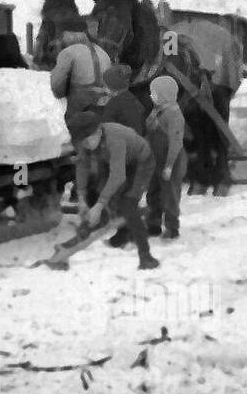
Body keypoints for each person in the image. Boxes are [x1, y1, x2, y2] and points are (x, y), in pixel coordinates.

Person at [70, 115, 158, 271]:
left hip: (140, 162)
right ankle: (123, 234)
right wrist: (82, 198)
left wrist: (98, 206)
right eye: (83, 142)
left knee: (129, 204)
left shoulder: (114, 139)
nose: (86, 145)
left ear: (98, 132)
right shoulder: (86, 141)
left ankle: (146, 256)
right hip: (114, 160)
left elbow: (118, 176)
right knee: (104, 193)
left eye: (88, 140)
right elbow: (82, 166)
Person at [144, 74, 187, 239]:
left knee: (170, 194)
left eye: (154, 93)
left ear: (164, 94)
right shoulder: (158, 110)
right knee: (153, 192)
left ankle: (172, 227)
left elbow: (176, 143)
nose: (151, 96)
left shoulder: (174, 115)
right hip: (156, 159)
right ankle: (153, 223)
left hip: (172, 160)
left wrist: (169, 166)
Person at [49, 29, 112, 135]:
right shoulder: (103, 52)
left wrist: (61, 93)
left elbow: (56, 85)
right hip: (103, 105)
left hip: (79, 107)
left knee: (76, 136)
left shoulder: (68, 52)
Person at [100, 64, 146, 135]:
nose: (103, 88)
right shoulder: (130, 97)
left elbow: (106, 128)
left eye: (105, 85)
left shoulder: (112, 105)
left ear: (113, 89)